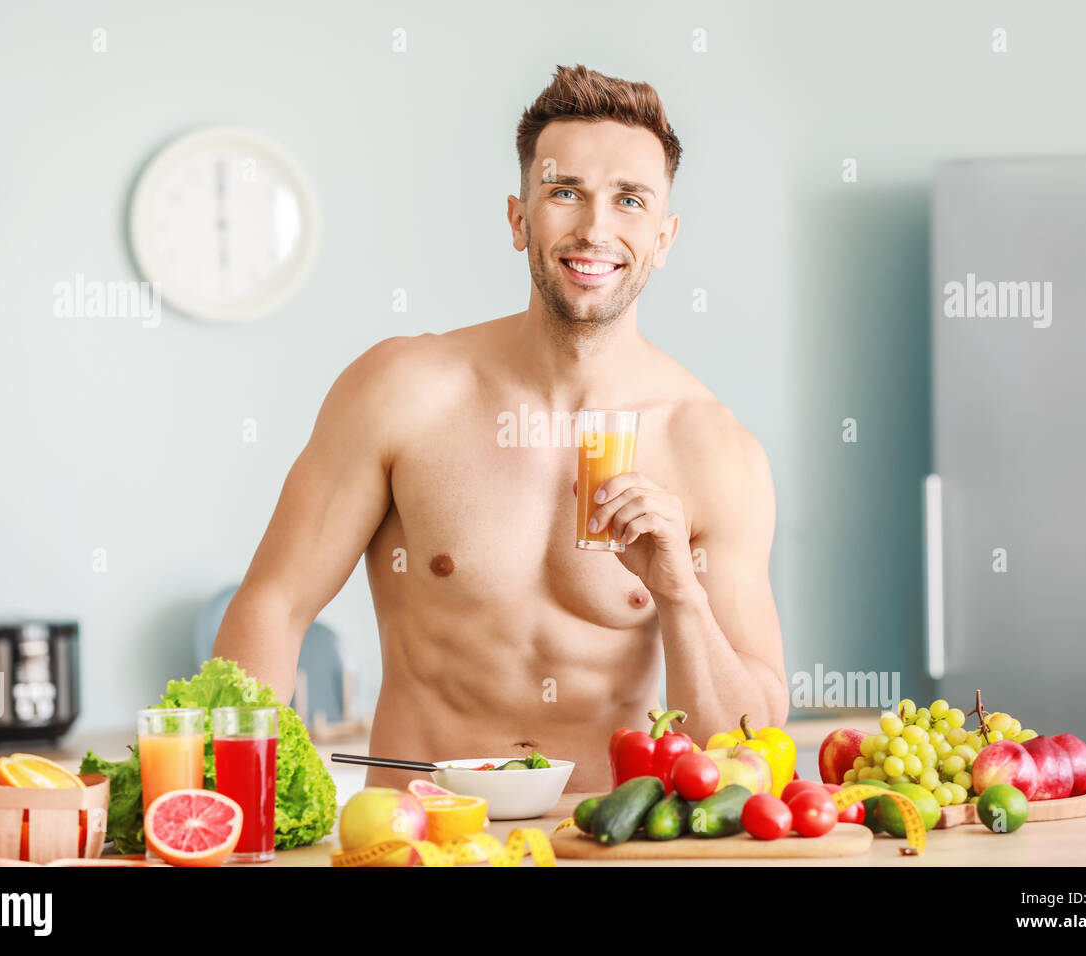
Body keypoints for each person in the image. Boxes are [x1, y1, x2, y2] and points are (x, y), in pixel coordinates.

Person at [214, 64, 786, 792]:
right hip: (418, 836)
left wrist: (681, 594)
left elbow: (750, 753)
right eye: (565, 192)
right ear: (520, 219)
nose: (595, 229)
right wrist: (242, 810)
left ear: (664, 238)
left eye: (629, 200)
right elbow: (273, 604)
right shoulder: (402, 391)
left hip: (600, 842)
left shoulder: (713, 451)